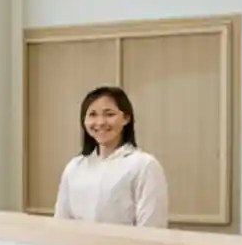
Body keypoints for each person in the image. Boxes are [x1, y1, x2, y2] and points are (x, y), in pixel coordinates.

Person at [54, 86, 168, 228]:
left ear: (126, 118)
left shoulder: (144, 165)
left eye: (109, 114)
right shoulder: (74, 167)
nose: (100, 122)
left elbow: (152, 228)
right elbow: (61, 223)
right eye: (93, 114)